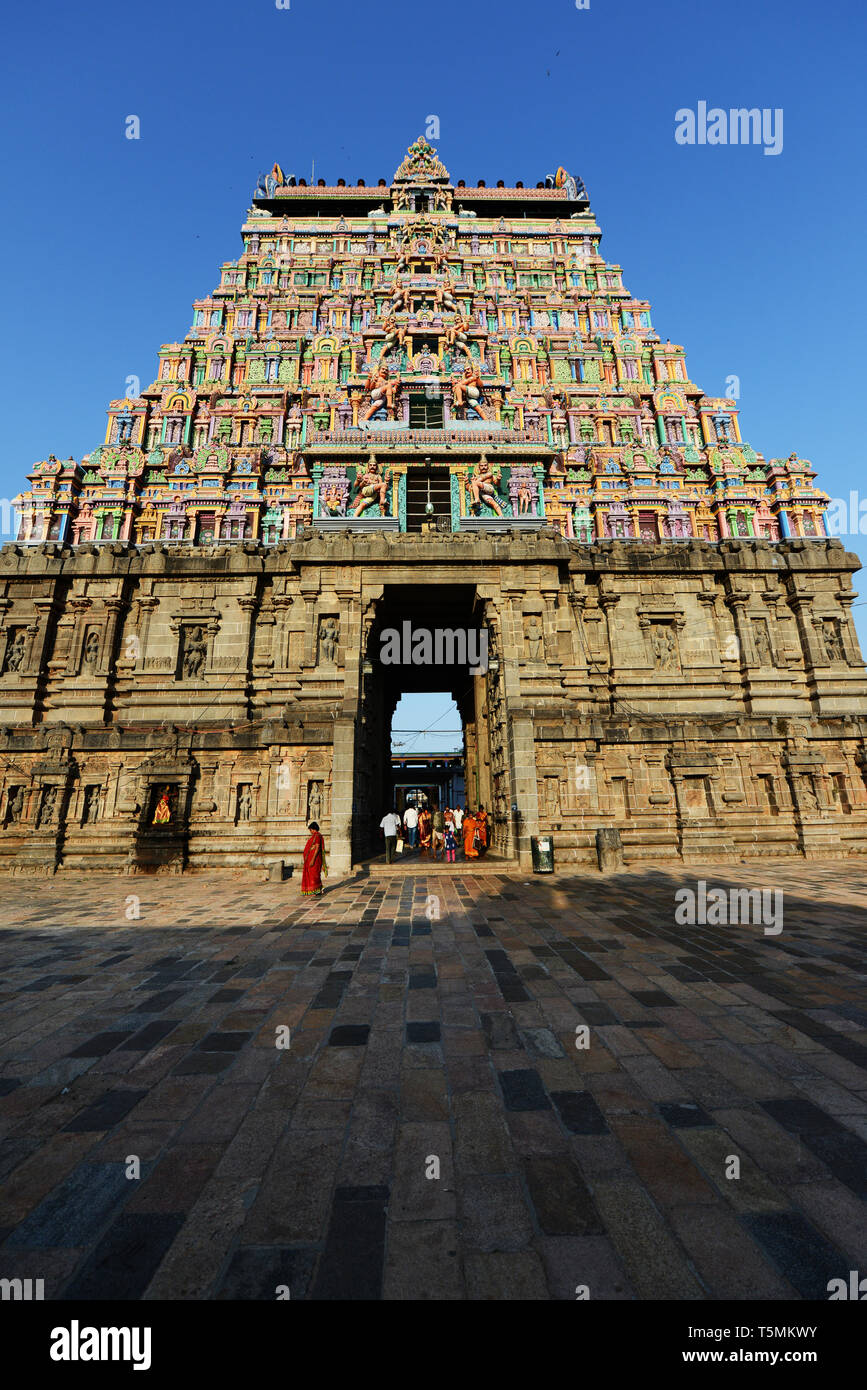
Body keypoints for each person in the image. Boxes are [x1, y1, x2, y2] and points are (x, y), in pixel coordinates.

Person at [302, 821, 325, 896]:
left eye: (310, 830)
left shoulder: (317, 836)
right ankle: (318, 889)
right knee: (314, 874)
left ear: (313, 829)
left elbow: (317, 848)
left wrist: (312, 859)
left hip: (315, 859)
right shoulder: (316, 836)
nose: (310, 831)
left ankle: (315, 890)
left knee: (314, 874)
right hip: (312, 859)